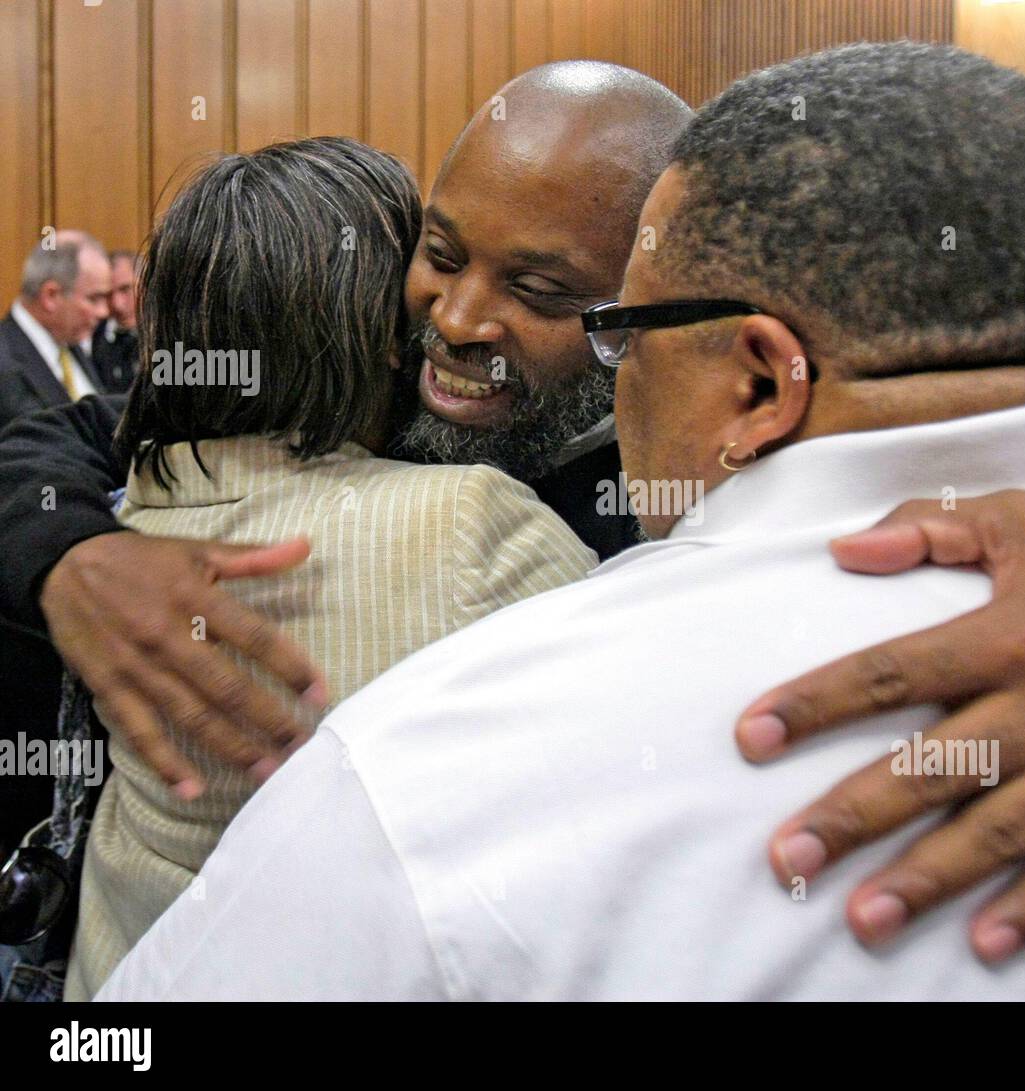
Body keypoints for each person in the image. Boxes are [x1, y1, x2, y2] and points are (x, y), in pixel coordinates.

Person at [2, 62, 1025, 964]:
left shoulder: (698, 465)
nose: (458, 318)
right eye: (443, 252)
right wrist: (67, 549)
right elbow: (61, 436)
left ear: (660, 298)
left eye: (542, 286)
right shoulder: (369, 393)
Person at [59, 136, 593, 1001]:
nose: (448, 320)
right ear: (380, 327)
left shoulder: (129, 506)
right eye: (431, 269)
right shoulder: (466, 525)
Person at [0, 231, 109, 429]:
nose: (104, 311)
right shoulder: (5, 362)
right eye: (94, 299)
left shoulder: (72, 343)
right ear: (50, 296)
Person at [90, 250, 140, 394]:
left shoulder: (168, 334)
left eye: (125, 289)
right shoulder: (91, 338)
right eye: (108, 294)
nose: (117, 304)